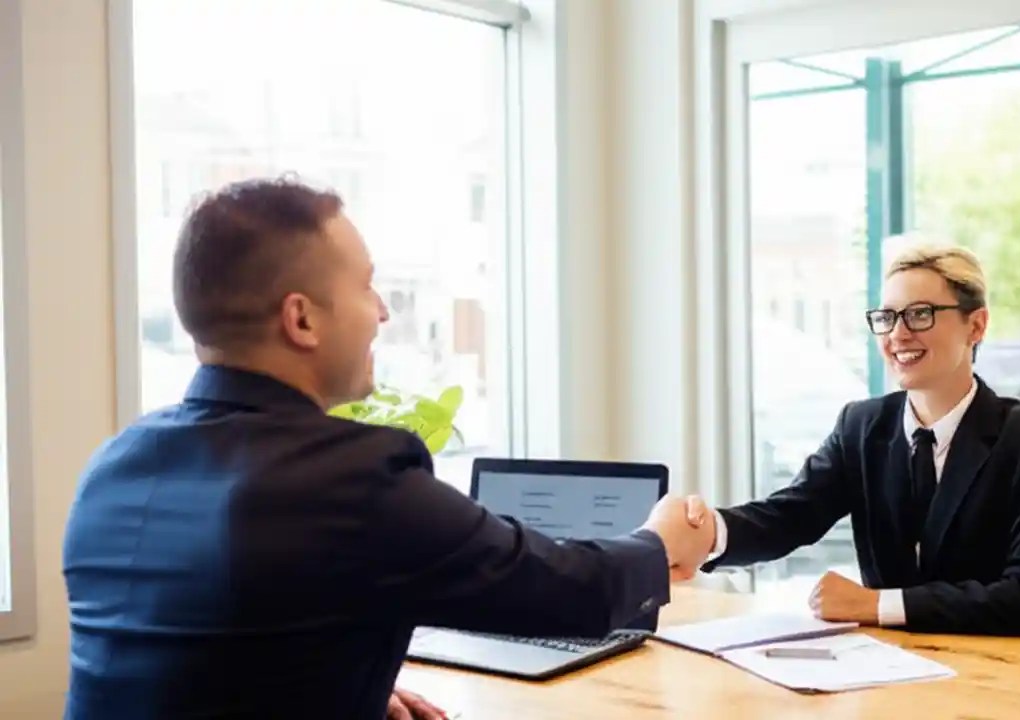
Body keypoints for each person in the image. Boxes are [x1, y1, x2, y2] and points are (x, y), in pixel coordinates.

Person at [61, 177, 714, 720]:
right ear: (302, 318)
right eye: (367, 286)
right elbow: (572, 592)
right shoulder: (351, 477)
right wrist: (661, 544)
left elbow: (191, 663)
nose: (381, 312)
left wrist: (346, 692)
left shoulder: (113, 467)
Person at [684, 242, 1020, 637]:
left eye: (919, 315)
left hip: (999, 677)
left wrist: (876, 605)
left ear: (975, 326)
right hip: (887, 670)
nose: (898, 334)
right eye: (887, 317)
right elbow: (789, 517)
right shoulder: (862, 426)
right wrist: (708, 533)